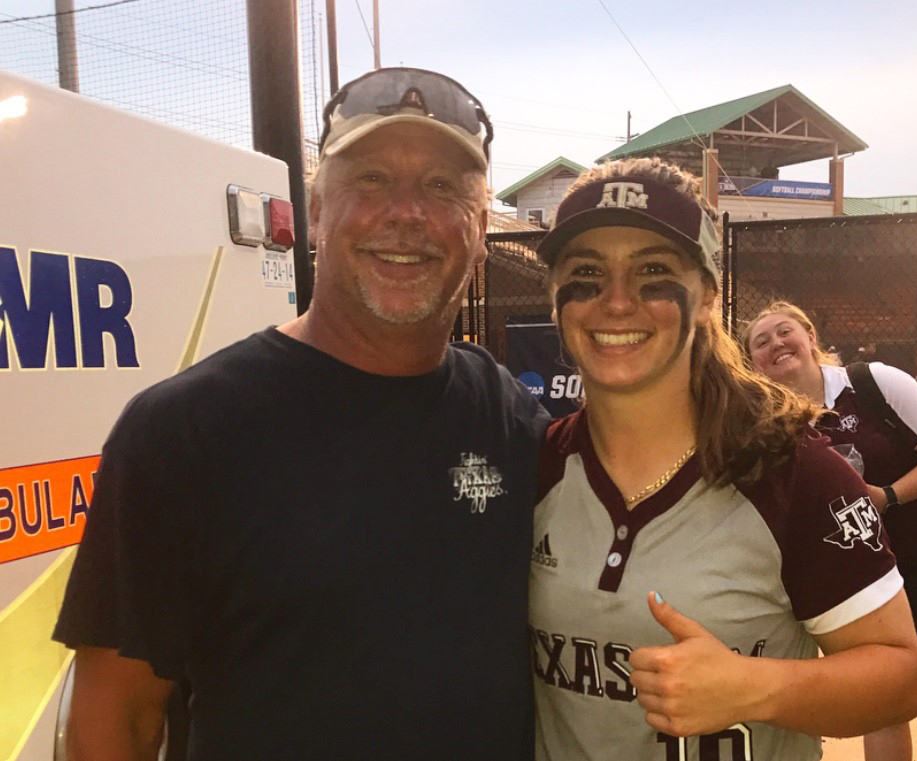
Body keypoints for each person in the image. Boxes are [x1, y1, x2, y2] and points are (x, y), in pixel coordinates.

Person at [53, 68, 548, 761]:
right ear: (316, 210)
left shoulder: (510, 419)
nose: (406, 214)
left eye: (443, 187)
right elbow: (117, 724)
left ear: (479, 222)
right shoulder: (181, 432)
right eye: (370, 179)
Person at [528, 157, 917, 761]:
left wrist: (755, 689)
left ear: (709, 296)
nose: (616, 302)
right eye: (587, 272)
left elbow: (902, 679)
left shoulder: (792, 471)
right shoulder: (535, 468)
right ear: (556, 294)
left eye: (653, 271)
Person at [744, 301, 917, 761]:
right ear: (752, 363)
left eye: (784, 331)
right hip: (855, 579)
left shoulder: (873, 383)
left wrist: (885, 496)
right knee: (883, 708)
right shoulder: (767, 424)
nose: (776, 343)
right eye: (761, 341)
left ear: (809, 337)